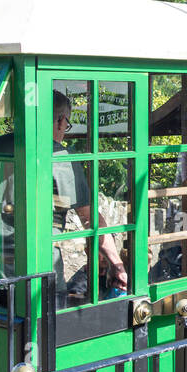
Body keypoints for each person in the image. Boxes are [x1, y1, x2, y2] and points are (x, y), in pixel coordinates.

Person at [53, 91, 127, 299]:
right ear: (60, 121)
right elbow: (90, 219)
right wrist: (117, 265)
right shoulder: (61, 159)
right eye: (66, 124)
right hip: (42, 269)